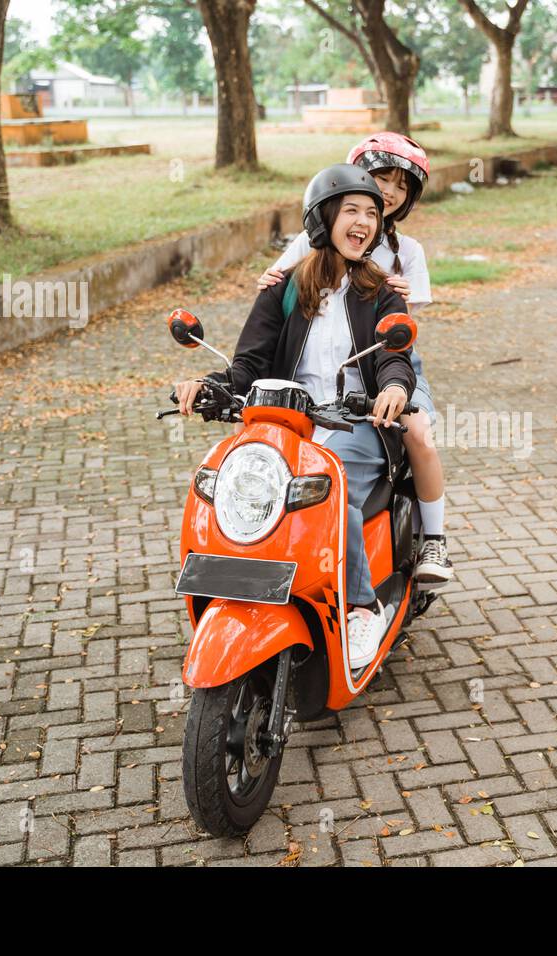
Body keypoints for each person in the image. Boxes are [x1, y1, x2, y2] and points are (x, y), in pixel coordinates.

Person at [175, 163, 413, 668]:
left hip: (355, 425)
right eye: (352, 210)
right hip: (284, 423)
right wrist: (209, 387)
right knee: (226, 482)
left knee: (331, 495)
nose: (365, 222)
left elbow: (394, 353)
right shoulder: (285, 286)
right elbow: (248, 364)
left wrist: (393, 384)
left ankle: (362, 606)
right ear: (324, 218)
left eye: (372, 214)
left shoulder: (382, 291)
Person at [257, 133, 453, 589]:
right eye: (380, 179)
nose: (388, 192)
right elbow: (282, 279)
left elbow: (405, 319)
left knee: (418, 431)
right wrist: (270, 279)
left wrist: (395, 297)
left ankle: (435, 539)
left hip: (386, 355)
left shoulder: (407, 253)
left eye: (400, 187)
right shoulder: (317, 239)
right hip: (328, 372)